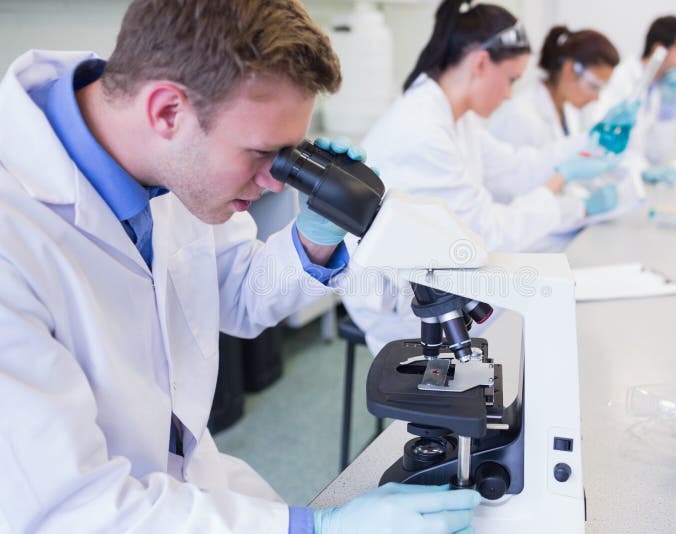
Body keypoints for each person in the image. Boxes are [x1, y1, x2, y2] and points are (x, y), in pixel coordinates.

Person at [0, 1, 480, 533]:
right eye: (262, 153)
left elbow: (235, 296)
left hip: (197, 492)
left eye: (286, 157)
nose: (276, 181)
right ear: (166, 112)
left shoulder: (174, 165)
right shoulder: (14, 233)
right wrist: (315, 529)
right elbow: (73, 510)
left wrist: (312, 238)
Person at [341, 0, 624, 355]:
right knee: (547, 323)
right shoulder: (424, 130)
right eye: (510, 80)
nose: (509, 94)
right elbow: (488, 233)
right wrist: (568, 199)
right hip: (406, 302)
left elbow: (516, 167)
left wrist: (589, 143)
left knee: (551, 299)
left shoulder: (457, 117)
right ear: (479, 63)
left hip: (441, 273)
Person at [586, 15, 676, 185]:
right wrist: (641, 170)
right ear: (659, 49)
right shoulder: (621, 79)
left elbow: (657, 153)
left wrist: (669, 106)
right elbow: (601, 144)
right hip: (606, 182)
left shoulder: (656, 89)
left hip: (631, 182)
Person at [490, 26, 620, 151]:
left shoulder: (569, 111)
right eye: (594, 86)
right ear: (569, 69)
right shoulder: (519, 117)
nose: (596, 98)